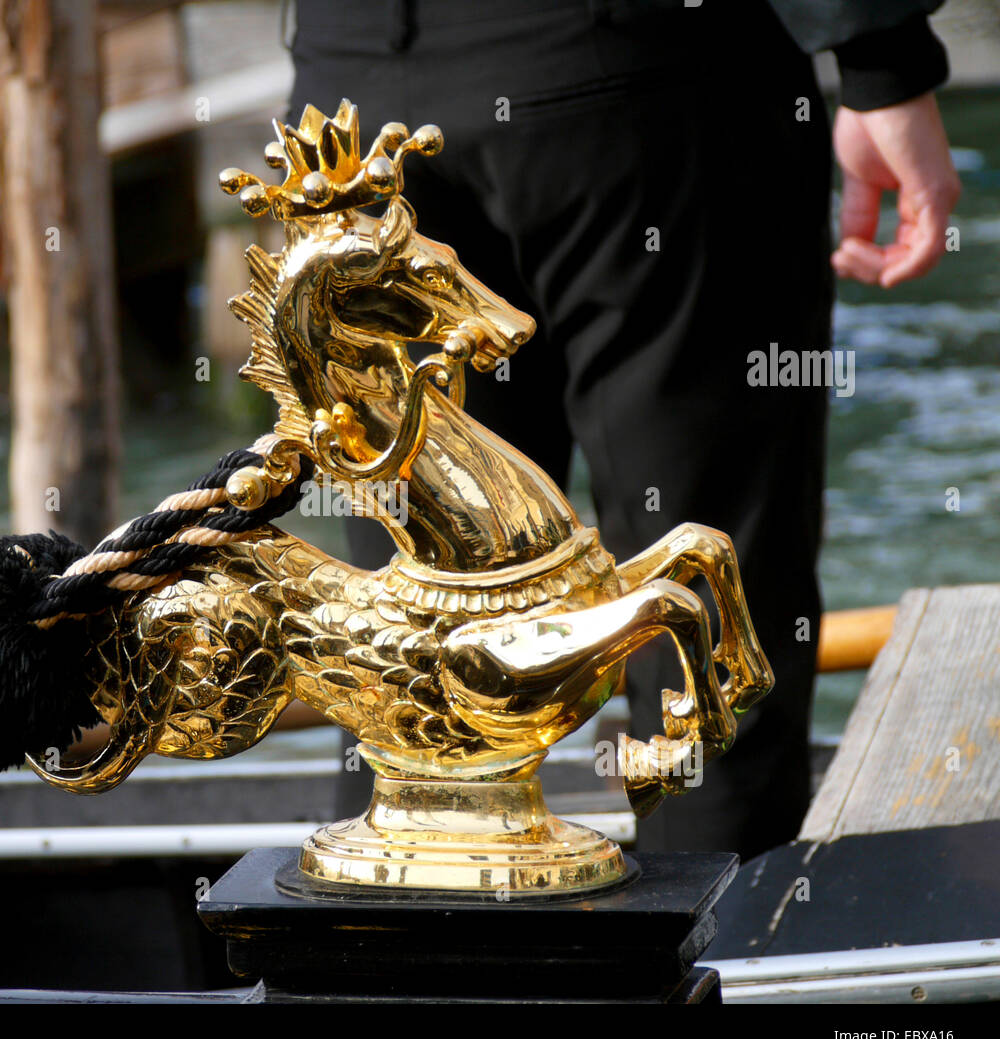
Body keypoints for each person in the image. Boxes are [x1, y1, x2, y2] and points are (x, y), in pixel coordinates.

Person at [285, 0, 961, 861]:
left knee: (419, 626)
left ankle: (410, 974)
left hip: (348, 124)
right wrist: (883, 63)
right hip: (641, 77)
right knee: (708, 601)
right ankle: (708, 957)